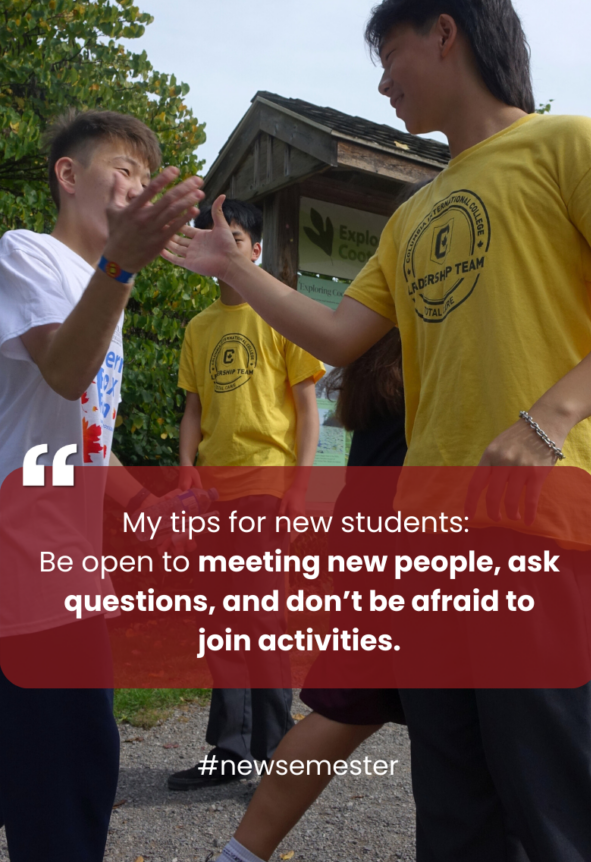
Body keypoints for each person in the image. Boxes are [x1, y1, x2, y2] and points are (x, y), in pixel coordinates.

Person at [165, 0, 591, 862]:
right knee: (458, 808)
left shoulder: (570, 145)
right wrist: (237, 272)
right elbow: (336, 336)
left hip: (545, 518)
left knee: (575, 806)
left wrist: (546, 420)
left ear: (445, 32)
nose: (380, 81)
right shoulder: (412, 215)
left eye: (389, 53)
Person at [0, 110, 203, 862]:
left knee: (30, 736)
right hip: (16, 529)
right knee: (75, 750)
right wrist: (121, 268)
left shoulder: (104, 292)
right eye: (118, 171)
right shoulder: (28, 255)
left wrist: (152, 507)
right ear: (68, 176)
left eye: (142, 175)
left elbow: (89, 441)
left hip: (60, 534)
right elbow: (65, 372)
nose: (132, 187)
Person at [223, 329, 406, 862]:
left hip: (366, 532)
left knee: (346, 706)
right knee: (458, 720)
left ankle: (239, 854)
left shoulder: (373, 366)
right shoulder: (431, 356)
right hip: (401, 537)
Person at [167, 199, 324, 791]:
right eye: (216, 235)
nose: (225, 245)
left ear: (255, 248)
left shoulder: (280, 314)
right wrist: (186, 475)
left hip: (266, 489)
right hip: (211, 496)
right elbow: (194, 409)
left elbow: (308, 408)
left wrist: (300, 489)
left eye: (236, 236)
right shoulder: (198, 327)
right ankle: (229, 751)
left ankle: (278, 759)